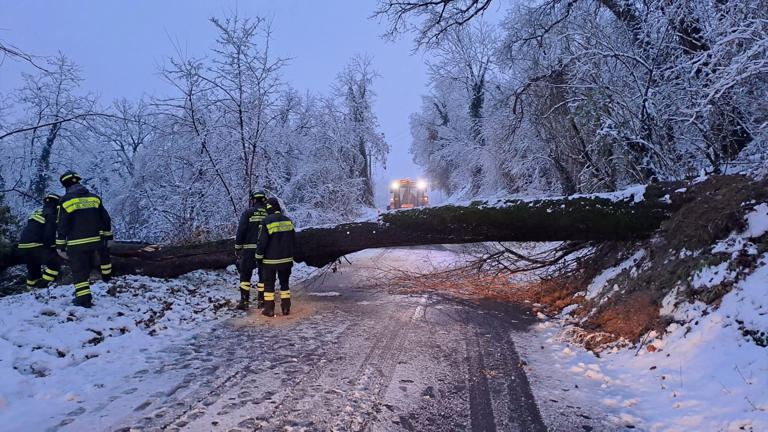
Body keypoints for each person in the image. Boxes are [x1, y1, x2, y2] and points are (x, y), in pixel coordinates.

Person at [56, 171, 113, 308]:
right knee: (102, 260)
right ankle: (107, 276)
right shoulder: (94, 198)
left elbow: (62, 224)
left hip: (76, 244)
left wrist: (60, 245)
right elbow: (105, 219)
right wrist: (108, 237)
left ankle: (83, 299)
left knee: (79, 271)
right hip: (96, 240)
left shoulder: (65, 201)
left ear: (65, 185)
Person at [255, 197, 295, 317]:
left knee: (269, 284)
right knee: (285, 284)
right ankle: (286, 308)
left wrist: (258, 256)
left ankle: (269, 309)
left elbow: (262, 242)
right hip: (286, 259)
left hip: (270, 261)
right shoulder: (288, 220)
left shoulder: (266, 221)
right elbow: (293, 240)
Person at [14, 194, 61, 289]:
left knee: (33, 271)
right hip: (35, 246)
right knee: (55, 264)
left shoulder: (38, 212)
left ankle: (30, 291)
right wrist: (52, 247)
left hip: (23, 246)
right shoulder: (51, 214)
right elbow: (49, 233)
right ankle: (43, 286)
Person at [234, 190, 268, 310]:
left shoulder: (248, 213)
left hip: (248, 250)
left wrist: (238, 247)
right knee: (263, 276)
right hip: (264, 251)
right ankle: (262, 301)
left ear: (253, 200)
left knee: (245, 276)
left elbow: (241, 230)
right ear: (264, 200)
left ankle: (244, 302)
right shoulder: (269, 214)